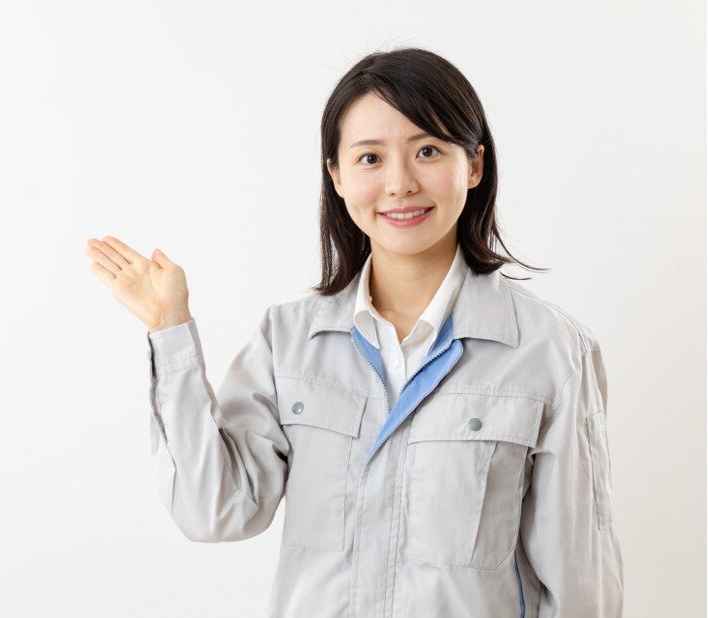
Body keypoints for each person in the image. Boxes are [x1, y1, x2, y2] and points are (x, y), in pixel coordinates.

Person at [86, 47, 624, 618]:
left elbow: (580, 584)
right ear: (337, 176)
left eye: (427, 151)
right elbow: (215, 511)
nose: (399, 183)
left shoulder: (550, 351)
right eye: (370, 158)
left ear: (474, 165)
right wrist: (169, 331)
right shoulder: (288, 339)